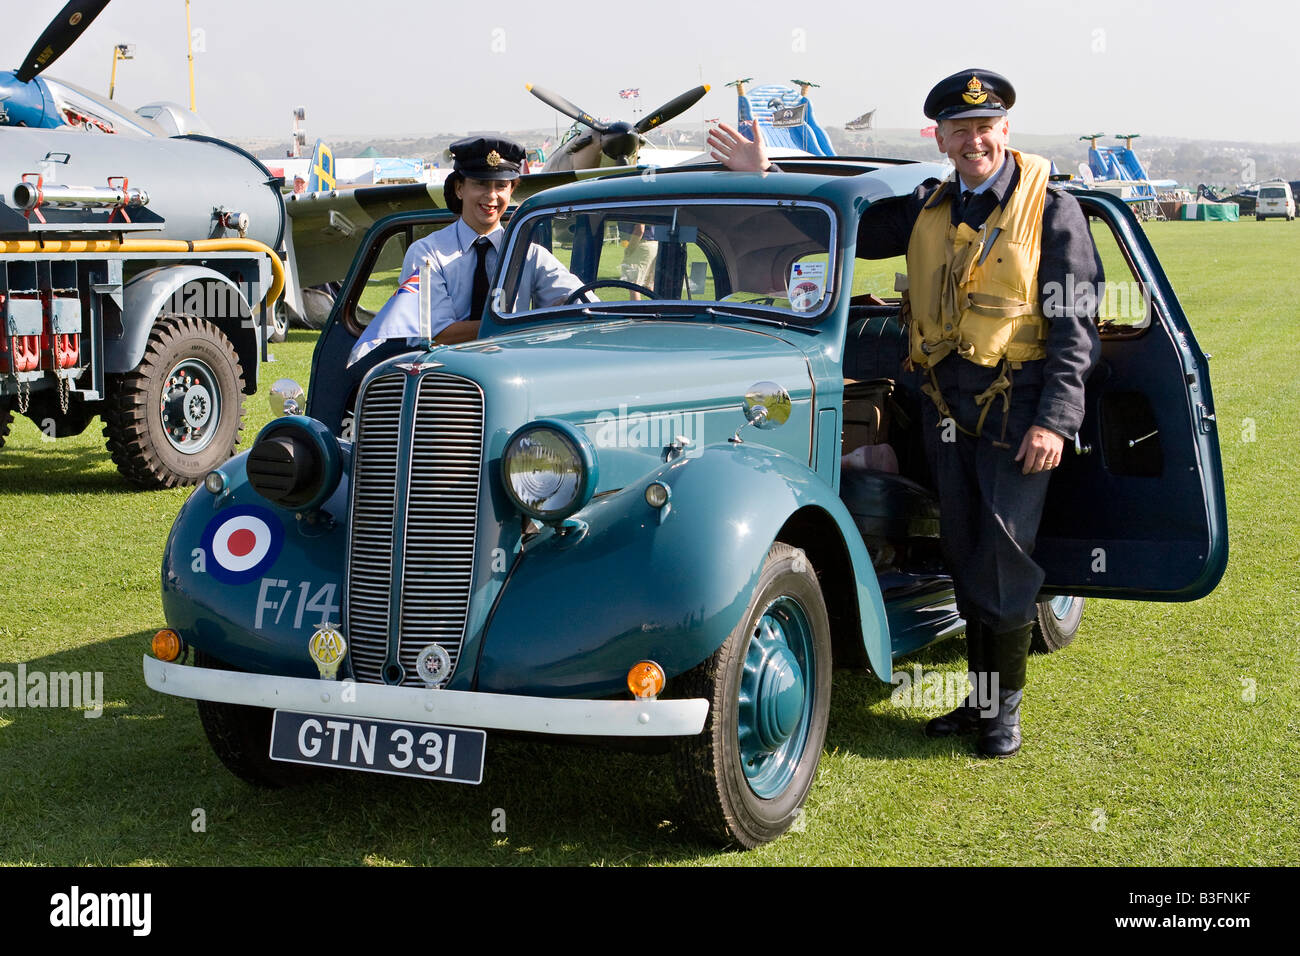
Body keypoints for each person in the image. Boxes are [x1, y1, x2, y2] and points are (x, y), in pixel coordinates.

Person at [709, 70, 1102, 758]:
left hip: (1018, 416)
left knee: (1004, 562)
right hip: (944, 415)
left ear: (1004, 131)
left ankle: (1001, 715)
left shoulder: (1053, 210)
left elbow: (1077, 322)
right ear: (942, 138)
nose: (974, 140)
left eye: (985, 127)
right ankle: (979, 705)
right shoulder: (926, 206)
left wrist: (1057, 420)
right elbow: (837, 226)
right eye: (960, 129)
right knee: (963, 554)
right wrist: (767, 172)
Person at [348, 136, 586, 366]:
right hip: (448, 379)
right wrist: (525, 325)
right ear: (459, 188)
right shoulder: (427, 253)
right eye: (480, 184)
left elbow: (585, 304)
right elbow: (437, 334)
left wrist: (567, 309)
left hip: (513, 375)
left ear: (511, 191)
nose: (491, 196)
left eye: (501, 186)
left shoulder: (528, 254)